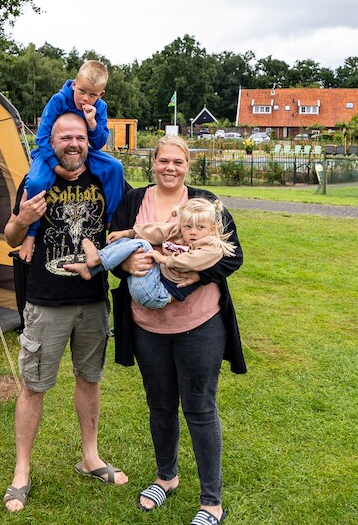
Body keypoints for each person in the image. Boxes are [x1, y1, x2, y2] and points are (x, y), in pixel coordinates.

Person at [111, 135, 245, 525]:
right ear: (152, 162)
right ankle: (166, 477)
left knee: (200, 408)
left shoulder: (207, 203)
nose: (170, 168)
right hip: (147, 326)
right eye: (163, 160)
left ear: (188, 166)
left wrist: (191, 276)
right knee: (160, 405)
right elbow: (118, 247)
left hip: (199, 325)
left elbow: (232, 256)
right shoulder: (134, 201)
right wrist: (125, 268)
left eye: (178, 162)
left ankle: (211, 502)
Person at [2, 111, 128, 513]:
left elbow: (124, 228)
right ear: (51, 142)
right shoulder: (37, 178)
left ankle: (90, 457)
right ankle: (21, 471)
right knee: (34, 386)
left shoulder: (105, 178)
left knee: (89, 380)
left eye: (79, 136)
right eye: (64, 137)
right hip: (46, 301)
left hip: (92, 301)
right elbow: (11, 235)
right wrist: (23, 220)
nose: (73, 143)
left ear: (89, 140)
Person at [17, 60, 125, 262]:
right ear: (74, 84)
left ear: (100, 95)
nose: (85, 99)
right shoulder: (58, 100)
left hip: (84, 151)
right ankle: (31, 234)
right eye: (82, 91)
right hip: (49, 152)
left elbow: (99, 142)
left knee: (114, 167)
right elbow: (41, 138)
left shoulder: (99, 107)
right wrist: (57, 167)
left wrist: (92, 122)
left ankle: (112, 224)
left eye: (92, 95)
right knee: (36, 183)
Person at [62, 197, 237, 309]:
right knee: (130, 242)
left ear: (211, 228)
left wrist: (162, 258)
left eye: (200, 227)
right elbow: (157, 230)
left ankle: (97, 258)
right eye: (188, 226)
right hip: (151, 284)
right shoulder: (179, 231)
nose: (192, 232)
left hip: (158, 294)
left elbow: (189, 261)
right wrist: (127, 233)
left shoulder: (211, 245)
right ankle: (91, 269)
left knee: (143, 245)